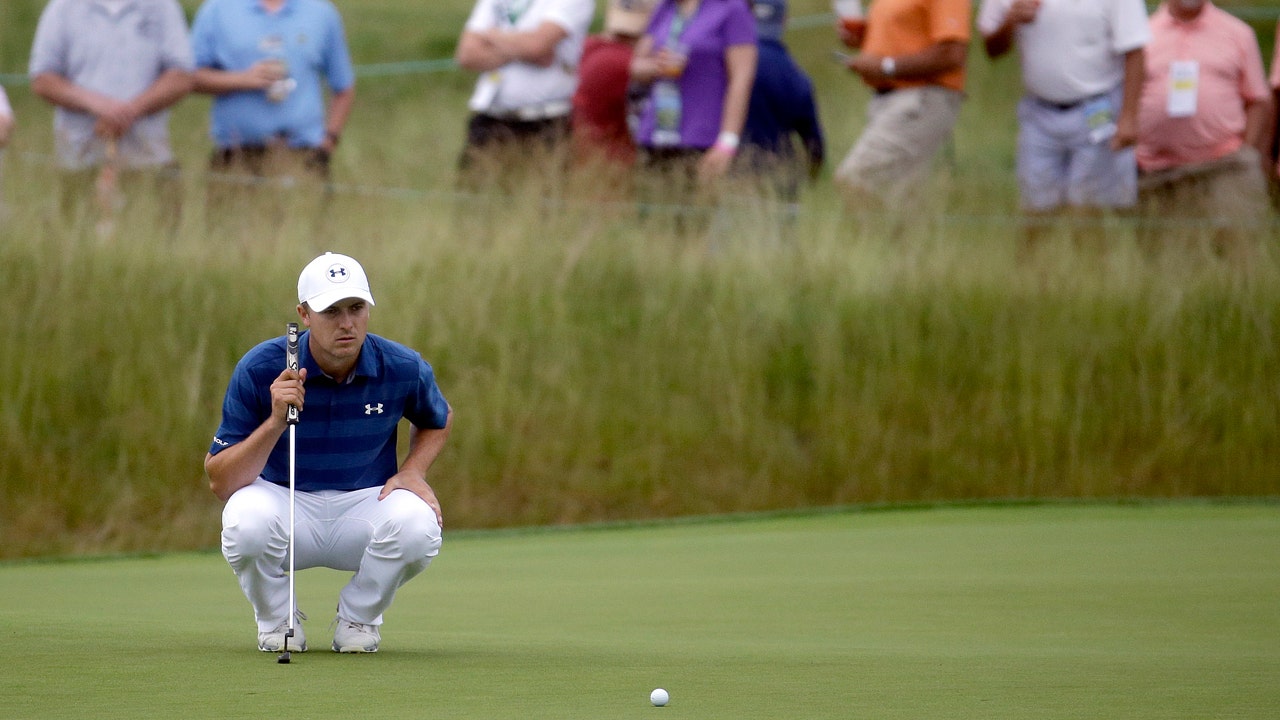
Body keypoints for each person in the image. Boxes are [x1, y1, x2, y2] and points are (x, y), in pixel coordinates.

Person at [206, 252, 453, 654]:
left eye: (356, 308)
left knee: (419, 524)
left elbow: (438, 418)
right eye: (330, 311)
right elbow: (221, 481)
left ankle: (359, 617)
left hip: (363, 504)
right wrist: (273, 422)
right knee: (243, 521)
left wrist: (414, 470)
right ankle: (276, 621)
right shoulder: (260, 367)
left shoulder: (402, 366)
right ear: (304, 315)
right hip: (283, 505)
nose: (346, 322)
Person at [977, 0, 1149, 250]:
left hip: (1097, 108)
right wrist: (1011, 22)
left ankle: (1087, 278)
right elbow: (992, 50)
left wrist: (1129, 116)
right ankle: (1033, 279)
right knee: (1036, 209)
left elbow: (1135, 49)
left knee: (1088, 208)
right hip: (1039, 112)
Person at [27, 0, 194, 228]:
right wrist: (96, 104)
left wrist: (130, 111)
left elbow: (182, 75)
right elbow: (43, 78)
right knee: (79, 239)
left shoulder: (163, 7)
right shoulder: (62, 7)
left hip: (148, 159)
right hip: (79, 159)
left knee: (152, 240)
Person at [1134, 0, 1273, 256]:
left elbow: (1257, 100)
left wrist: (1246, 149)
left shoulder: (1238, 33)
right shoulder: (1141, 33)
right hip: (1155, 171)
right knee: (1163, 255)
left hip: (1223, 167)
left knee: (1238, 249)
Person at [190, 0, 355, 186]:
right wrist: (242, 79)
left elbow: (343, 86)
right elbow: (189, 77)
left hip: (304, 154)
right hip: (236, 156)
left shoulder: (321, 12)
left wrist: (328, 143)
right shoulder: (217, 9)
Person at [832, 0, 970, 213]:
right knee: (905, 200)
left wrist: (886, 66)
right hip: (891, 99)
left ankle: (881, 243)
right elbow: (905, 37)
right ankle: (903, 243)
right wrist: (864, 38)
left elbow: (952, 54)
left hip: (920, 100)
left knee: (855, 178)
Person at [628, 0, 758, 225]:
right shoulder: (665, 9)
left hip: (700, 138)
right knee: (651, 226)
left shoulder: (730, 9)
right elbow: (634, 64)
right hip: (655, 135)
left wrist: (727, 142)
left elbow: (741, 79)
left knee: (692, 226)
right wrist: (655, 66)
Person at [455, 0, 595, 187]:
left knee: (541, 201)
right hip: (492, 116)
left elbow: (537, 45)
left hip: (546, 120)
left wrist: (491, 35)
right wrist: (525, 49)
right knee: (472, 199)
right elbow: (467, 54)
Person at [741, 0, 825, 202]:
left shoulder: (726, 63)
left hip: (726, 170)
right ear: (785, 22)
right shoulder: (796, 76)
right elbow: (814, 143)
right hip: (777, 176)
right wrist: (811, 176)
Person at [570, 0, 660, 170]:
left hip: (582, 156)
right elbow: (663, 68)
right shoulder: (620, 60)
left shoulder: (588, 45)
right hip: (609, 164)